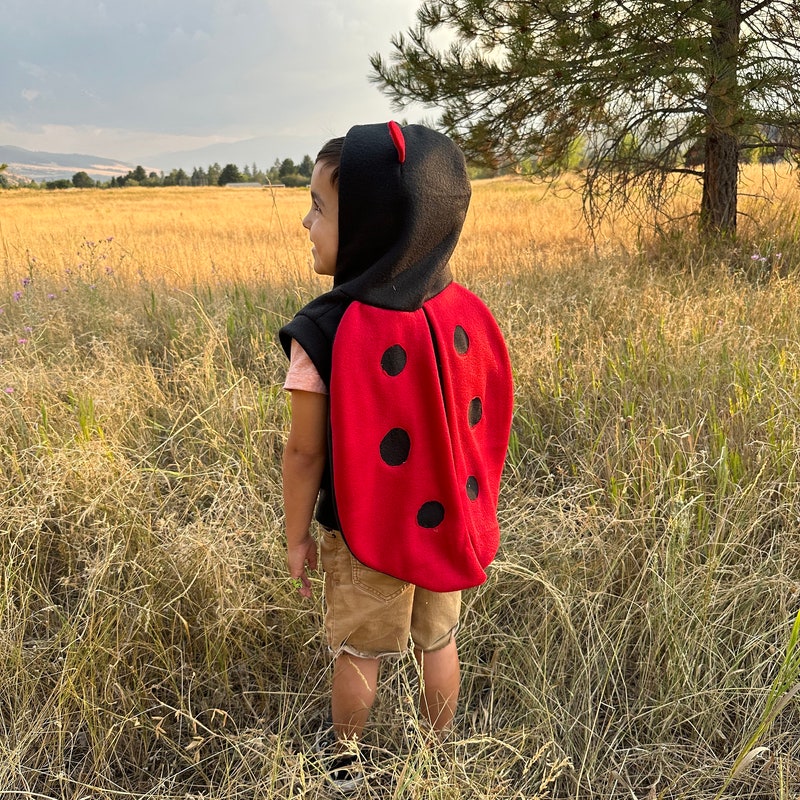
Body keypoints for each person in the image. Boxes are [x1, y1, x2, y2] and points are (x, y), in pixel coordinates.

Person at [279, 122, 513, 792]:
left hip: (364, 534)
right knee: (437, 642)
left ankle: (345, 763)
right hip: (444, 527)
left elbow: (303, 453)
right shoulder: (460, 309)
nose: (306, 222)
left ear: (369, 229)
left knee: (361, 652)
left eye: (320, 208)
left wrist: (298, 535)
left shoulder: (323, 331)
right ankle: (438, 756)